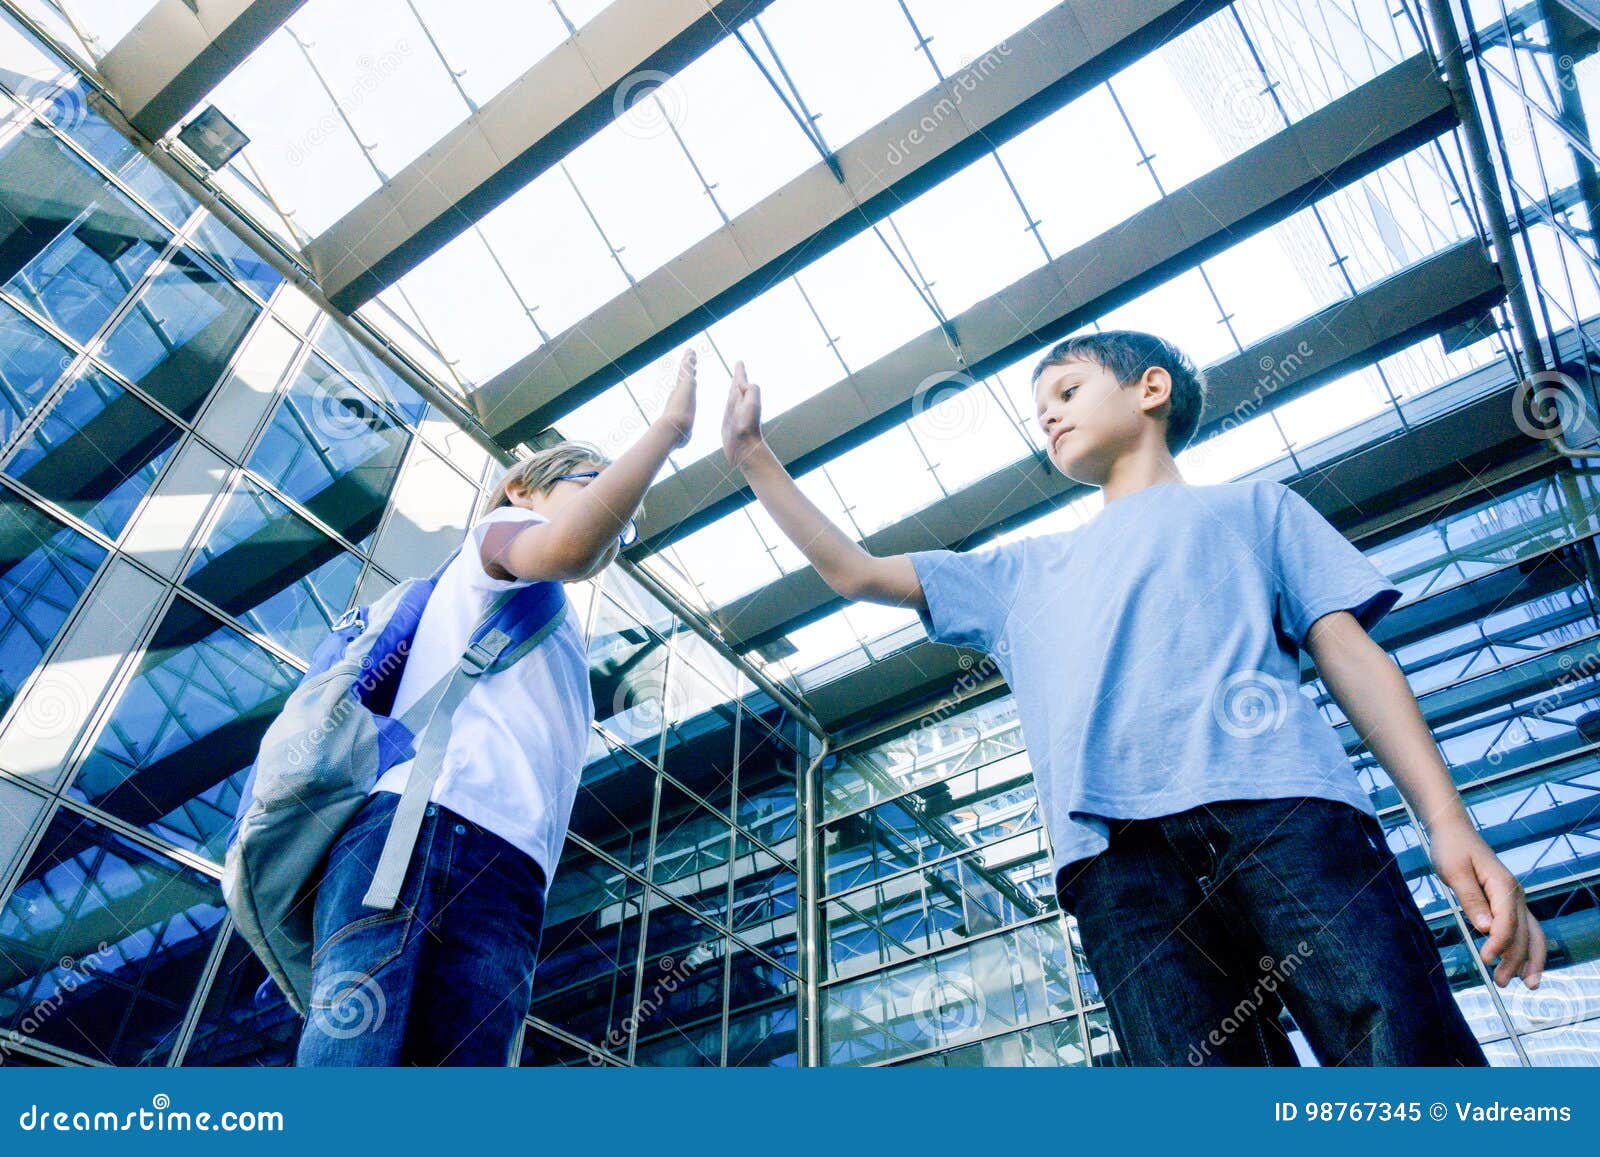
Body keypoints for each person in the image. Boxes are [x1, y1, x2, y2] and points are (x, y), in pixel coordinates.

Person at [720, 332, 1544, 1066]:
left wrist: (1447, 821)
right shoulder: (1019, 572)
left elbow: (1348, 650)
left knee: (1395, 1045)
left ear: (1150, 389)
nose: (1047, 417)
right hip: (1115, 865)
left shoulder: (1254, 507)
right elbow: (856, 570)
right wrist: (755, 456)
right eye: (1038, 411)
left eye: (1066, 392)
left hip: (1283, 812)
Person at [295, 349, 698, 1066]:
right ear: (522, 488)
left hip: (503, 869)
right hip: (427, 831)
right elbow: (574, 546)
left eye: (627, 524)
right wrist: (666, 429)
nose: (617, 522)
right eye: (595, 486)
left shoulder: (553, 626)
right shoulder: (494, 545)